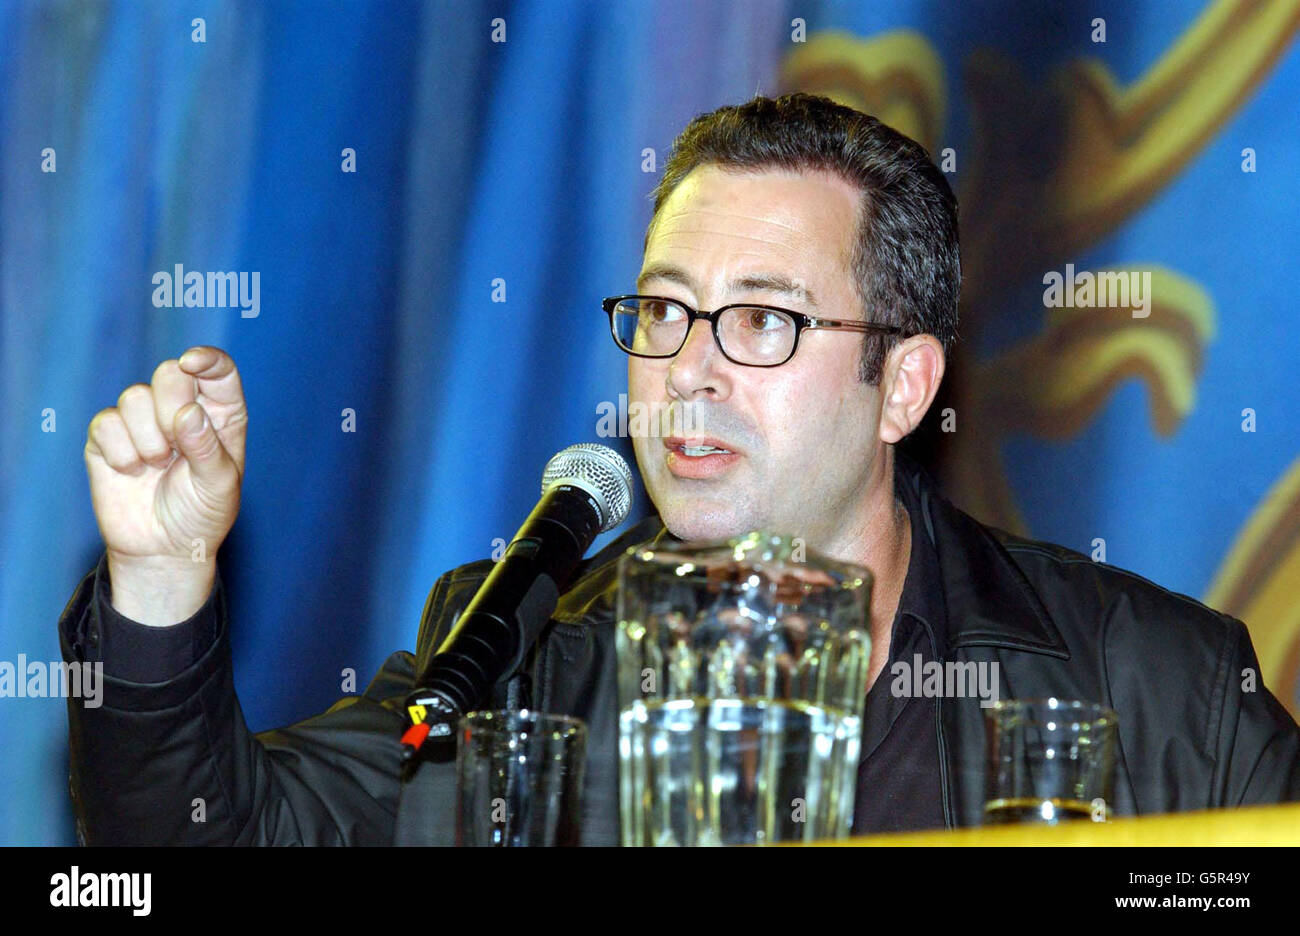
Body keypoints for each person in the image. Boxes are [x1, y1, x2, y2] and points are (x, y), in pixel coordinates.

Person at [61, 93, 1300, 845]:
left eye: (762, 322)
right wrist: (161, 578)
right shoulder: (517, 656)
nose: (689, 372)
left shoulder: (1158, 691)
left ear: (905, 387)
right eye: (663, 312)